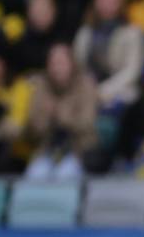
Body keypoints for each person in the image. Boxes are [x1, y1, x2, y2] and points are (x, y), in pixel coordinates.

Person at [18, 44, 98, 180]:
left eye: (61, 63)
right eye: (52, 63)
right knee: (35, 175)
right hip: (46, 149)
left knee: (65, 175)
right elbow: (33, 127)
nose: (57, 68)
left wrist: (60, 114)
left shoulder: (85, 84)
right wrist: (46, 118)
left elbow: (86, 123)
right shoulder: (41, 85)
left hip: (78, 150)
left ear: (71, 64)